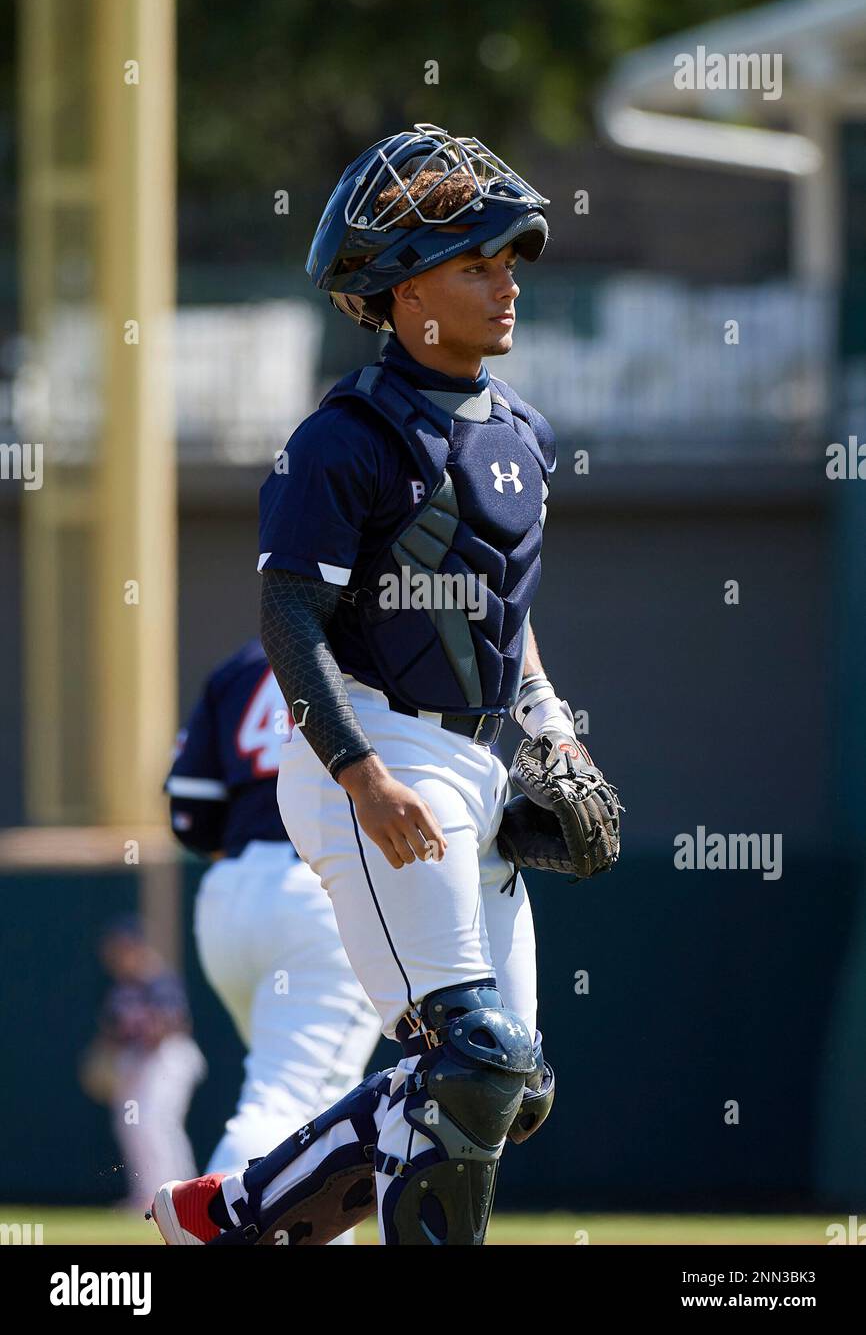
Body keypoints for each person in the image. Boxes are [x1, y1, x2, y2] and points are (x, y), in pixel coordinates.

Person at [151, 122, 614, 1246]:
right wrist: (359, 774)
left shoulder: (521, 430)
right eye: (476, 265)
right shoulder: (340, 437)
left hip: (477, 765)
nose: (506, 285)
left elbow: (502, 610)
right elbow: (286, 616)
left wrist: (549, 725)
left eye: (508, 262)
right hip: (377, 756)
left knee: (513, 1089)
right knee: (472, 1061)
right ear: (405, 297)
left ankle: (235, 1217)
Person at [164, 639, 381, 1244]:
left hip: (232, 893)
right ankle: (209, 1228)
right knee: (290, 1107)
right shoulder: (386, 642)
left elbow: (189, 814)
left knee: (320, 1113)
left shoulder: (241, 664)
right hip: (319, 889)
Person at [83, 916, 205, 1212]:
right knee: (133, 1126)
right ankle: (146, 1197)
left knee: (156, 1124)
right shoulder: (118, 988)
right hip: (139, 1061)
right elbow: (111, 1031)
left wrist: (136, 1051)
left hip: (168, 1057)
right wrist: (105, 1057)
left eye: (122, 949)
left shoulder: (158, 979)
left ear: (136, 947)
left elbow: (175, 1022)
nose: (117, 957)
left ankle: (178, 1195)